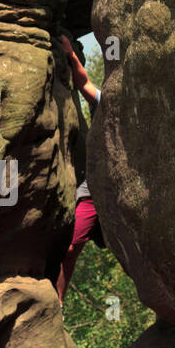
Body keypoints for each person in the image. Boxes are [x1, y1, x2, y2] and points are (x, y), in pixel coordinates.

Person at [57, 34, 105, 304]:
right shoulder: (106, 103)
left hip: (123, 194)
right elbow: (84, 82)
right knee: (72, 245)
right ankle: (58, 302)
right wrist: (70, 54)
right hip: (93, 188)